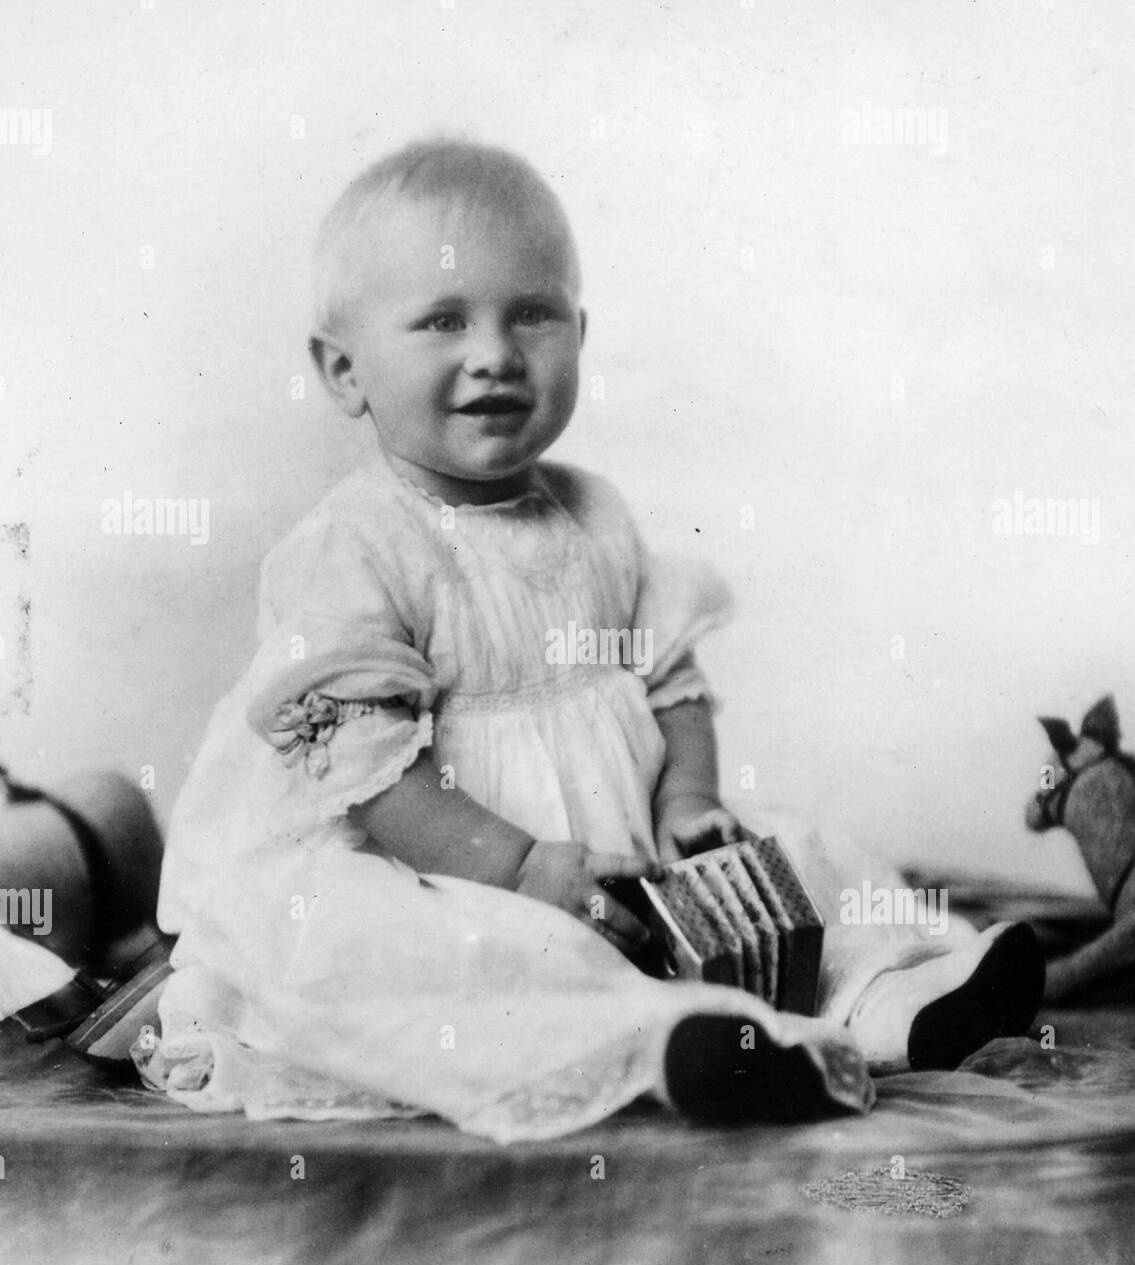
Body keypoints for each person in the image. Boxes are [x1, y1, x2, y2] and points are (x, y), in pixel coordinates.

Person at [141, 139, 1041, 1142]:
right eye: (442, 320)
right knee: (460, 961)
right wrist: (520, 868)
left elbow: (668, 682)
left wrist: (687, 799)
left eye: (531, 313)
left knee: (804, 861)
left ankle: (891, 1003)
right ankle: (665, 1046)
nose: (493, 352)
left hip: (628, 856)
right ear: (344, 371)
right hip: (441, 862)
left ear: (579, 330)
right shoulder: (353, 550)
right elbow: (372, 772)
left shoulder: (594, 517)